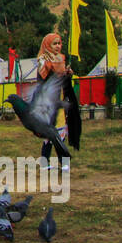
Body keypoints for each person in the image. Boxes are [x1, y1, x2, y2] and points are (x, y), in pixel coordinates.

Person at [35, 33, 72, 171]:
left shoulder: (60, 59)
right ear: (47, 45)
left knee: (60, 132)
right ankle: (45, 163)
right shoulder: (42, 60)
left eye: (59, 43)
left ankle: (64, 163)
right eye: (54, 44)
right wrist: (56, 67)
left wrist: (67, 73)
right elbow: (44, 75)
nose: (58, 46)